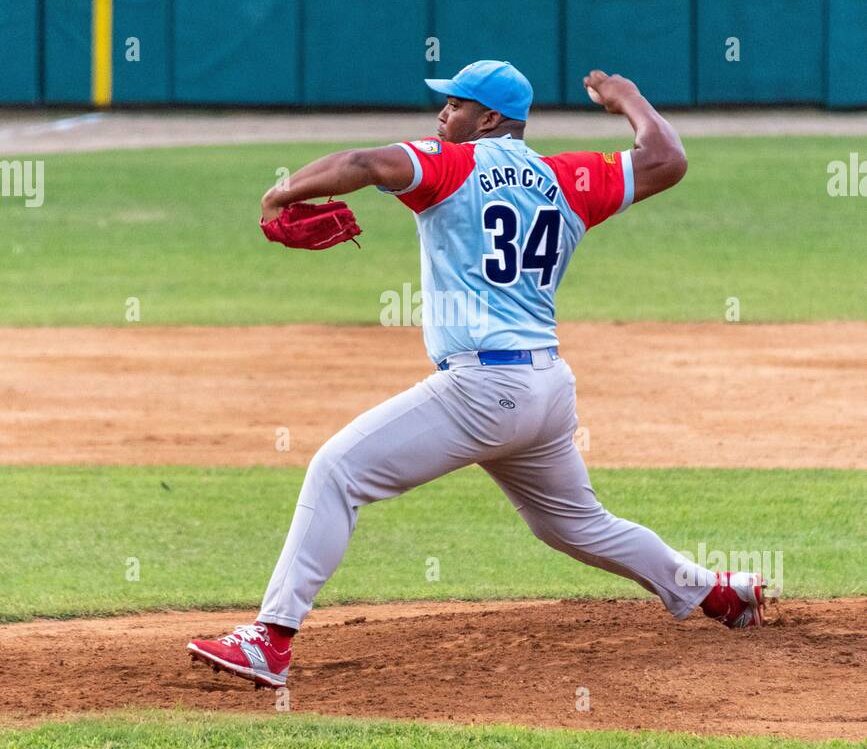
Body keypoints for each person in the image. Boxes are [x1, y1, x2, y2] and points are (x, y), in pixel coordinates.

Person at [188, 61, 774, 689]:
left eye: (457, 105)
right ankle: (719, 594)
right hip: (546, 390)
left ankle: (270, 640)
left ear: (490, 119)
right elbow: (666, 158)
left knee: (337, 470)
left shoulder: (451, 165)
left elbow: (363, 163)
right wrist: (627, 96)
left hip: (482, 391)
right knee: (575, 524)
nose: (444, 115)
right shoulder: (567, 177)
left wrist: (283, 193)